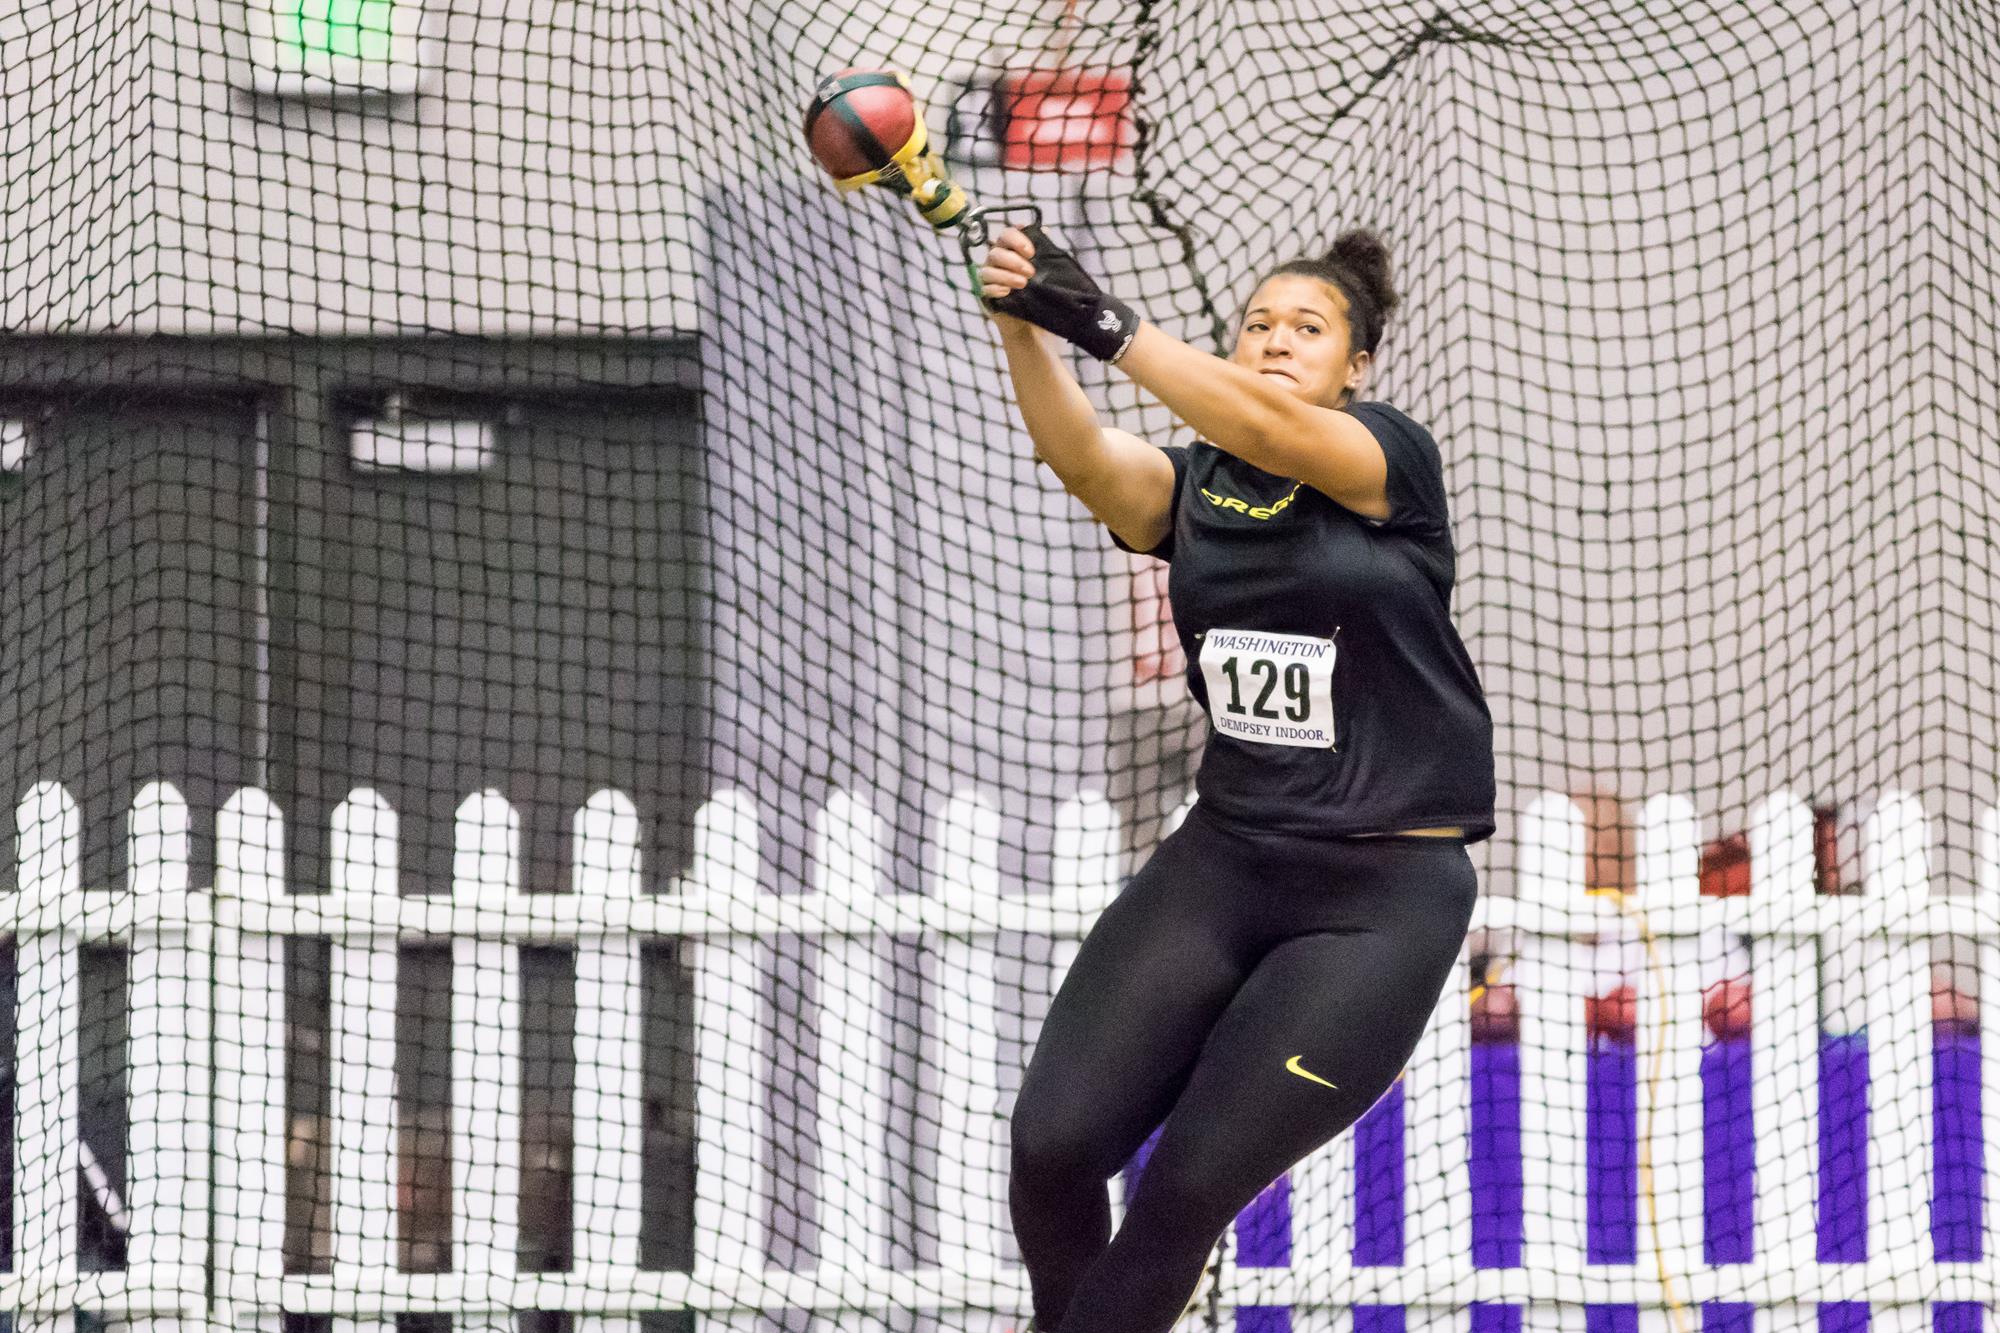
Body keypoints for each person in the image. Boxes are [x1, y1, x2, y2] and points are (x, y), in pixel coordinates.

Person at [976, 224, 1495, 1333]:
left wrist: (1107, 324)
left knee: (1183, 1193)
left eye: (1305, 330)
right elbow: (1088, 467)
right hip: (1224, 863)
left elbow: (1265, 422)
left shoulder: (1386, 459)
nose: (1272, 342)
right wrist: (1029, 335)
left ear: (1354, 365)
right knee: (1052, 1146)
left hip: (1377, 900)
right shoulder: (1198, 486)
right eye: (1255, 324)